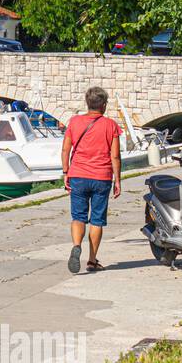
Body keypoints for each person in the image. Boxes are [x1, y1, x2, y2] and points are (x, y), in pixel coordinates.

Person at [61, 86, 123, 273]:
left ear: (88, 103)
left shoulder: (74, 122)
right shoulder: (110, 125)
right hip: (101, 178)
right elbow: (115, 156)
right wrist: (117, 180)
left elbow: (66, 150)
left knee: (78, 217)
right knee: (97, 220)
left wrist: (66, 172)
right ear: (103, 105)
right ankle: (92, 260)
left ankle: (76, 245)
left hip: (78, 175)